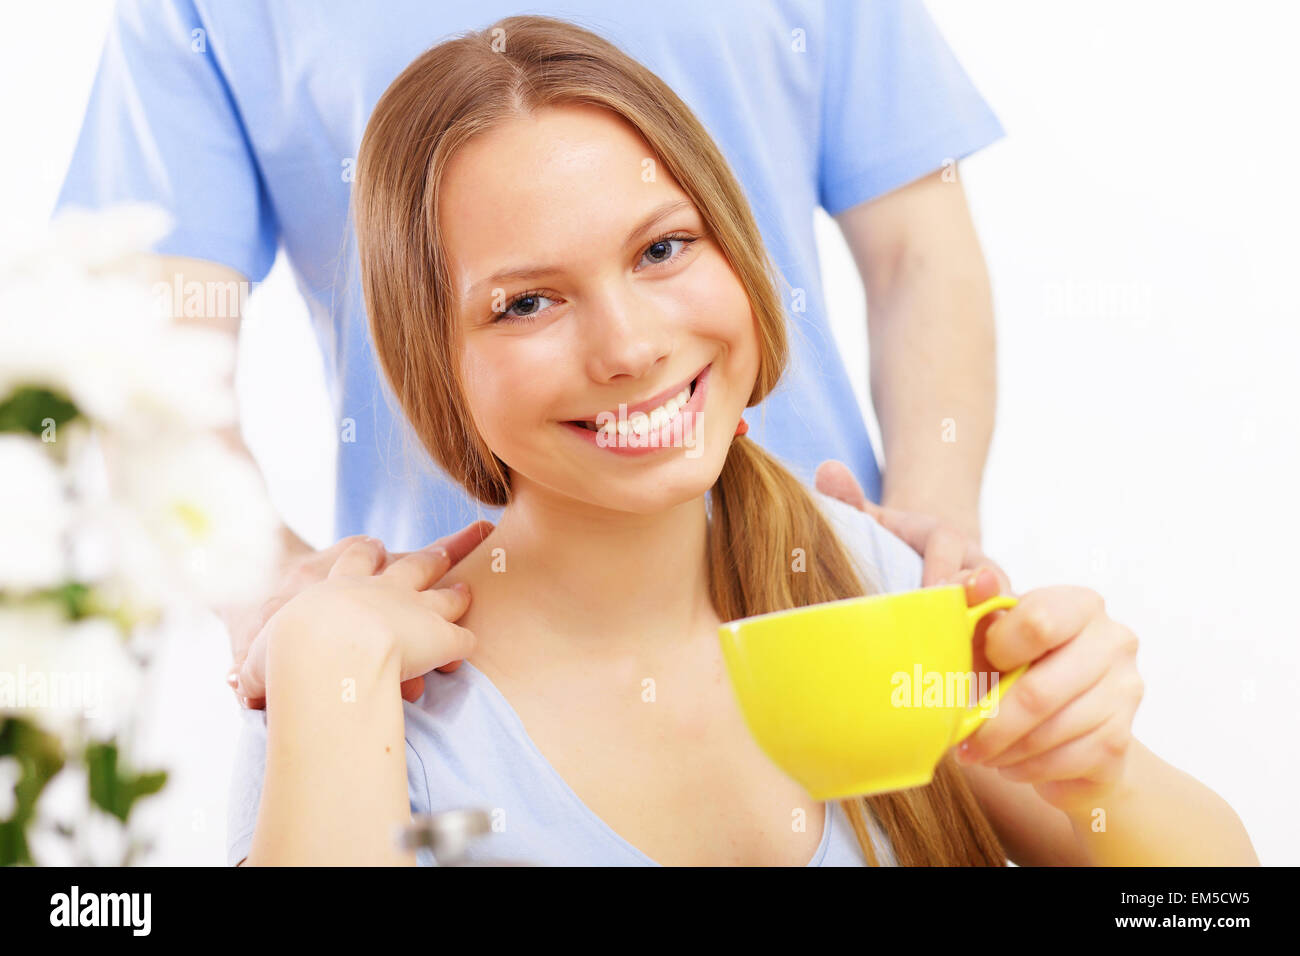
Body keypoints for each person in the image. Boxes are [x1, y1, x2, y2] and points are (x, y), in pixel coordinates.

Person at [229, 17, 1257, 866]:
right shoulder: (359, 693)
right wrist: (321, 659)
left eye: (663, 247)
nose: (628, 345)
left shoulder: (876, 594)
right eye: (527, 302)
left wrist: (1102, 777)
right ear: (431, 361)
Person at [56, 1, 1008, 700]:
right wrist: (266, 593)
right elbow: (141, 340)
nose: (629, 348)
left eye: (664, 249)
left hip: (831, 627)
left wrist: (922, 557)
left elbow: (915, 254)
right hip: (455, 671)